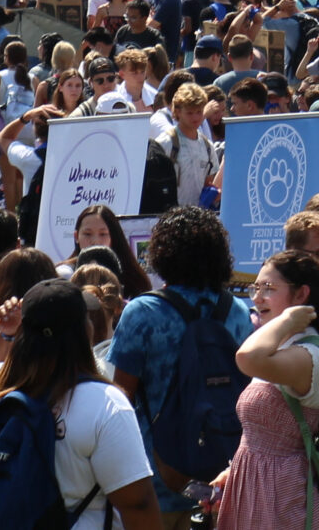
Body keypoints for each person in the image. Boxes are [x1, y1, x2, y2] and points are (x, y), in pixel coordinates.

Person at [0, 278, 160, 530]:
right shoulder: (105, 404)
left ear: (23, 332)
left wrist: (6, 336)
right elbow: (139, 504)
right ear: (84, 331)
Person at [110, 206, 251, 522]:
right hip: (221, 475)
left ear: (162, 253)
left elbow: (120, 399)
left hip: (153, 479)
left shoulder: (142, 312)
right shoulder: (238, 312)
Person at [222, 249, 319, 530]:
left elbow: (246, 358)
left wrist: (287, 319)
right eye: (256, 287)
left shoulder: (309, 356)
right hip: (263, 497)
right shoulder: (283, 347)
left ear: (301, 296)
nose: (257, 298)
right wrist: (235, 471)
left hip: (288, 506)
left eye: (269, 289)